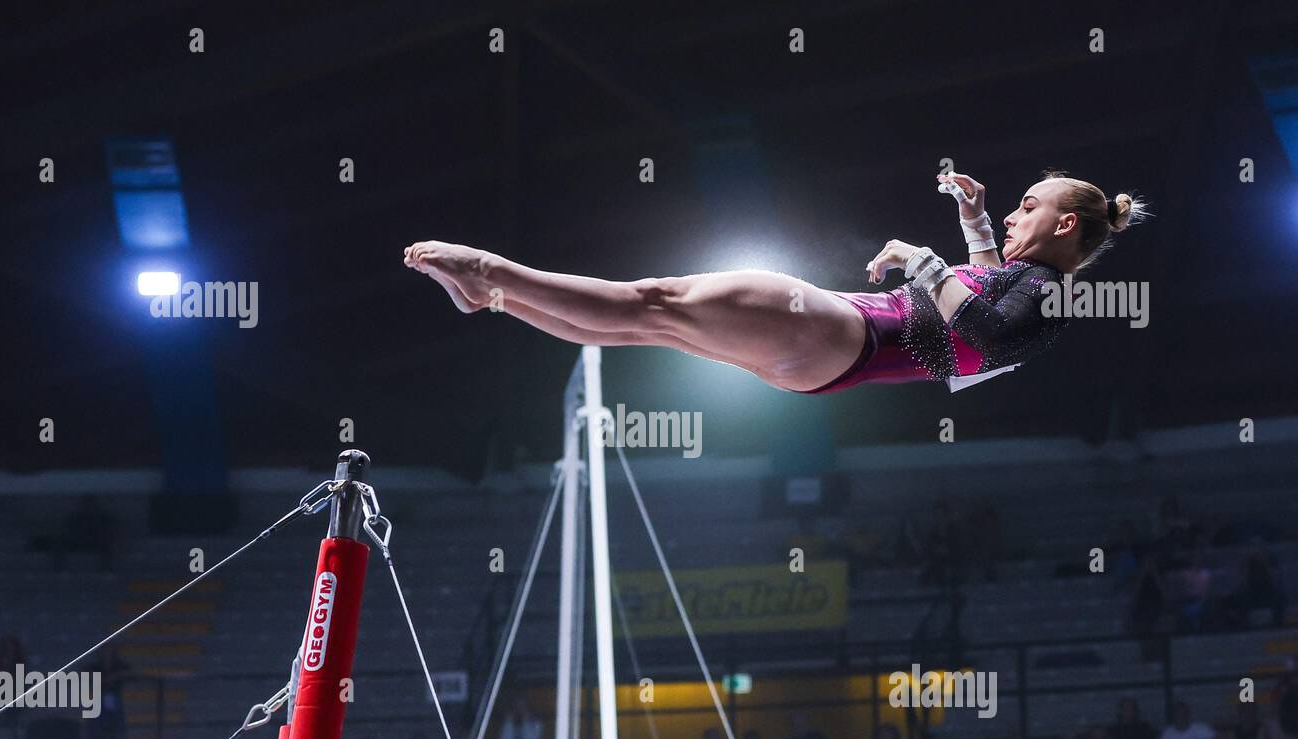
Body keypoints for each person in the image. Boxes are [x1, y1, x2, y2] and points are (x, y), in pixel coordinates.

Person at [405, 171, 1146, 393]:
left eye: (1027, 207)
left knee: (652, 300)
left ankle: (492, 270)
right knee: (643, 324)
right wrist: (977, 223)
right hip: (828, 362)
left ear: (1065, 227)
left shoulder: (1048, 305)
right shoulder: (1028, 289)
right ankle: (494, 297)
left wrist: (923, 259)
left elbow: (985, 329)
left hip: (836, 327)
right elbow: (986, 295)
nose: (1015, 214)